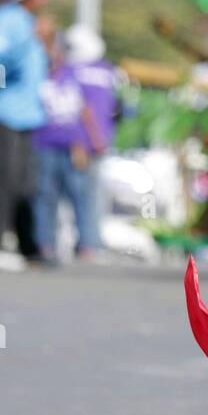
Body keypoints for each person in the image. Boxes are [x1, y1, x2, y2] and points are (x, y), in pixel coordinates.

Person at [33, 24, 122, 262]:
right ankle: (81, 244)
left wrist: (90, 139)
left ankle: (60, 243)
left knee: (61, 195)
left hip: (74, 143)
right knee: (77, 196)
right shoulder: (107, 70)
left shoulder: (72, 70)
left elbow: (84, 111)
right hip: (71, 143)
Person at [0, 0, 51, 261]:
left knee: (25, 184)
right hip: (6, 113)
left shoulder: (27, 21)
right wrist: (29, 38)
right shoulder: (11, 20)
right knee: (6, 183)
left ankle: (26, 245)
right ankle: (5, 241)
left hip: (26, 115)